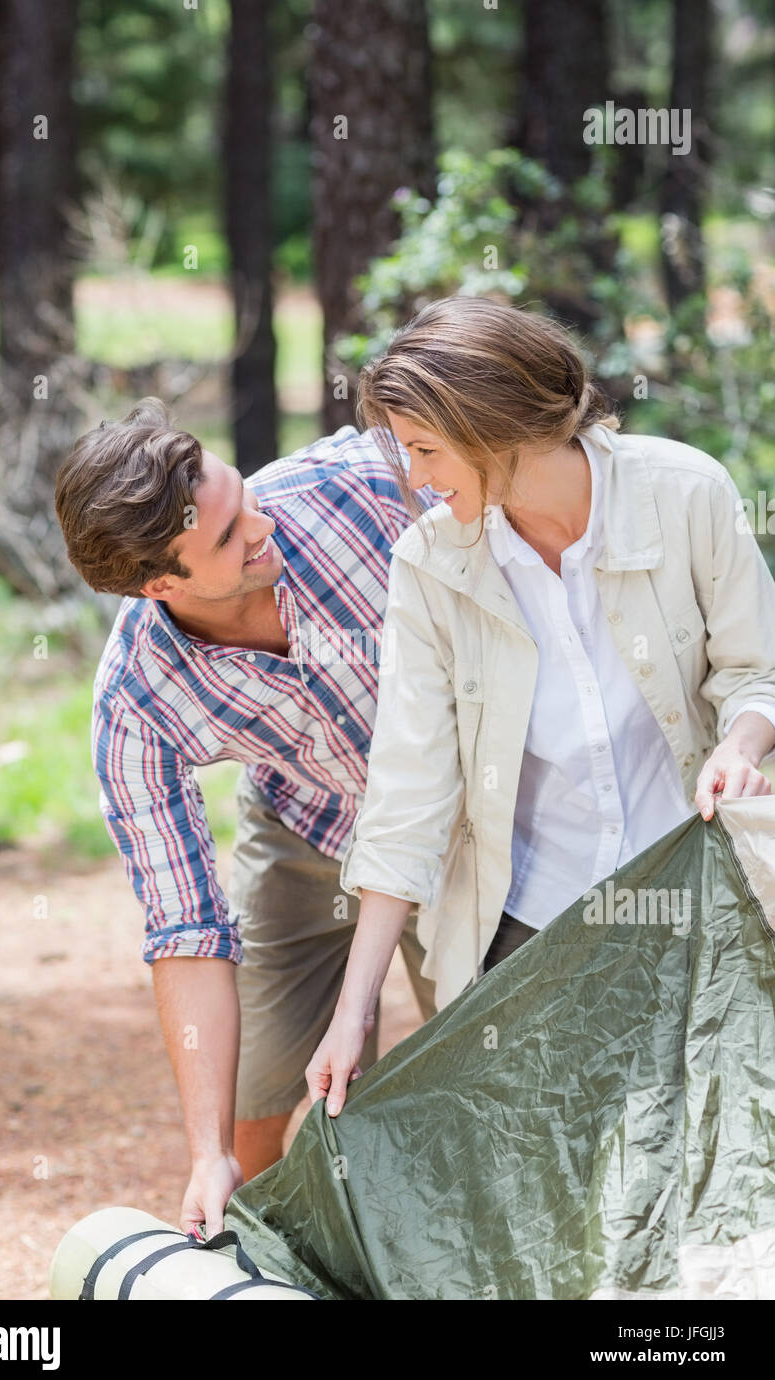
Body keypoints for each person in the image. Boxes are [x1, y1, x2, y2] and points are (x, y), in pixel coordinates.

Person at [306, 295, 775, 1118]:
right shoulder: (429, 563)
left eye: (425, 449)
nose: (414, 479)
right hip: (529, 931)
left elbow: (758, 668)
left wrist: (742, 742)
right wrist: (354, 1014)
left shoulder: (686, 493)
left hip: (700, 899)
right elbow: (407, 788)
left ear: (498, 427)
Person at [54, 402, 439, 1237]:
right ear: (159, 585)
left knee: (493, 1063)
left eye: (240, 496)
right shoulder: (135, 702)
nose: (263, 523)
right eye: (228, 536)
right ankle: (259, 1267)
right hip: (308, 823)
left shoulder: (361, 487)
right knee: (254, 1104)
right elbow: (185, 927)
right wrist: (205, 1150)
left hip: (466, 819)